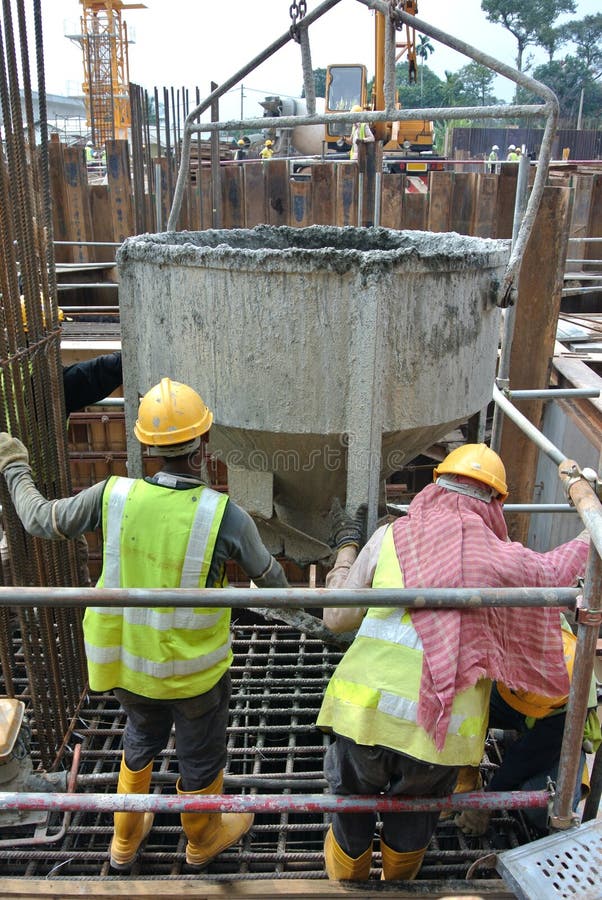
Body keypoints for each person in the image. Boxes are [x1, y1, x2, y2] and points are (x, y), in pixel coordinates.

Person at [0, 377, 290, 871]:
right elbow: (278, 587)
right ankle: (201, 841)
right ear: (202, 447)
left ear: (146, 445)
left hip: (129, 670)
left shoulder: (111, 496)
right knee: (200, 756)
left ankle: (125, 839)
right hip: (196, 679)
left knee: (139, 739)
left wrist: (13, 464)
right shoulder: (225, 515)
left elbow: (39, 519)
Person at [317, 443, 589, 882]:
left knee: (352, 809)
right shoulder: (506, 562)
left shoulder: (389, 536)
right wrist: (590, 527)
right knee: (413, 822)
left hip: (361, 714)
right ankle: (397, 885)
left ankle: (347, 884)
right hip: (437, 734)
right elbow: (557, 571)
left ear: (436, 484)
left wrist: (345, 553)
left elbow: (336, 617)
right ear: (497, 502)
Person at [454, 626, 601, 837]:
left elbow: (526, 756)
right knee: (461, 709)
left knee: (544, 808)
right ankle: (462, 781)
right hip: (507, 682)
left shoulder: (573, 705)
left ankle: (514, 741)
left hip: (554, 727)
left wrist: (486, 803)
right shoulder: (526, 620)